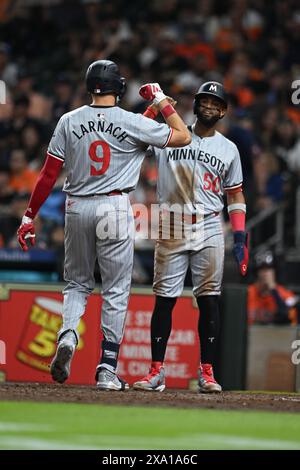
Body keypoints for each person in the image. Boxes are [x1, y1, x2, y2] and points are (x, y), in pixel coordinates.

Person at [17, 60, 191, 391]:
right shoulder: (128, 121)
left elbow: (48, 174)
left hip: (78, 206)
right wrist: (160, 99)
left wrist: (29, 216)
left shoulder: (69, 120)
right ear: (119, 87)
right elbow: (182, 136)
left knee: (77, 284)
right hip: (114, 207)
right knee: (115, 290)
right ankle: (107, 369)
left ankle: (68, 334)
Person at [133, 81, 249, 393]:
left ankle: (207, 372)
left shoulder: (229, 149)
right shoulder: (171, 132)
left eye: (216, 103)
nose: (209, 106)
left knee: (210, 301)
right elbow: (137, 132)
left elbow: (235, 195)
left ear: (223, 110)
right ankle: (156, 371)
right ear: (195, 104)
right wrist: (156, 106)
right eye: (204, 101)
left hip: (210, 224)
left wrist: (239, 236)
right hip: (171, 223)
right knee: (164, 300)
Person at [248, 251, 299, 325]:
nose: (266, 273)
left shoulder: (285, 295)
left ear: (275, 272)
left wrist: (274, 291)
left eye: (269, 269)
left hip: (276, 335)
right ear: (256, 273)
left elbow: (289, 318)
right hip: (251, 334)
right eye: (262, 269)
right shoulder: (248, 293)